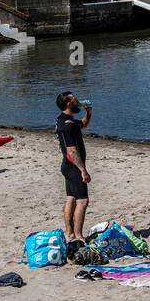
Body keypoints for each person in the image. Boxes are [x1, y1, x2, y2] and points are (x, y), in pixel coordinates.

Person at [55, 92, 92, 248]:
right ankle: (78, 236)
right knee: (82, 201)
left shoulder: (65, 120)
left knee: (70, 198)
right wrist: (83, 170)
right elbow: (72, 151)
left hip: (67, 166)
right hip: (73, 167)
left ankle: (69, 233)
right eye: (74, 99)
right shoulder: (67, 125)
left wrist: (88, 112)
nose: (77, 101)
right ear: (68, 103)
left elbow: (83, 124)